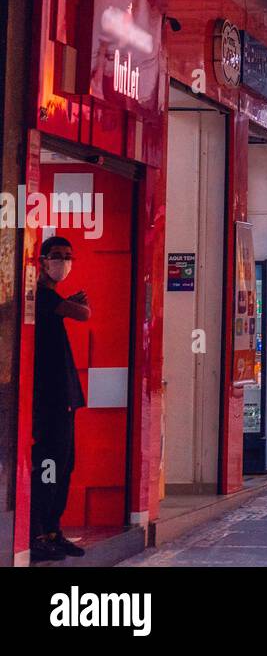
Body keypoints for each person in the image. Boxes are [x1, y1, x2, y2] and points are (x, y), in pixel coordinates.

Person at [30, 235, 89, 561]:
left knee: (63, 467)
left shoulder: (52, 299)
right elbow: (83, 313)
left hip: (65, 400)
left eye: (68, 256)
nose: (63, 262)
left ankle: (52, 530)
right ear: (41, 260)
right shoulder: (40, 298)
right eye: (57, 255)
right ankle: (37, 533)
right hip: (49, 402)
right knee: (48, 467)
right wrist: (78, 304)